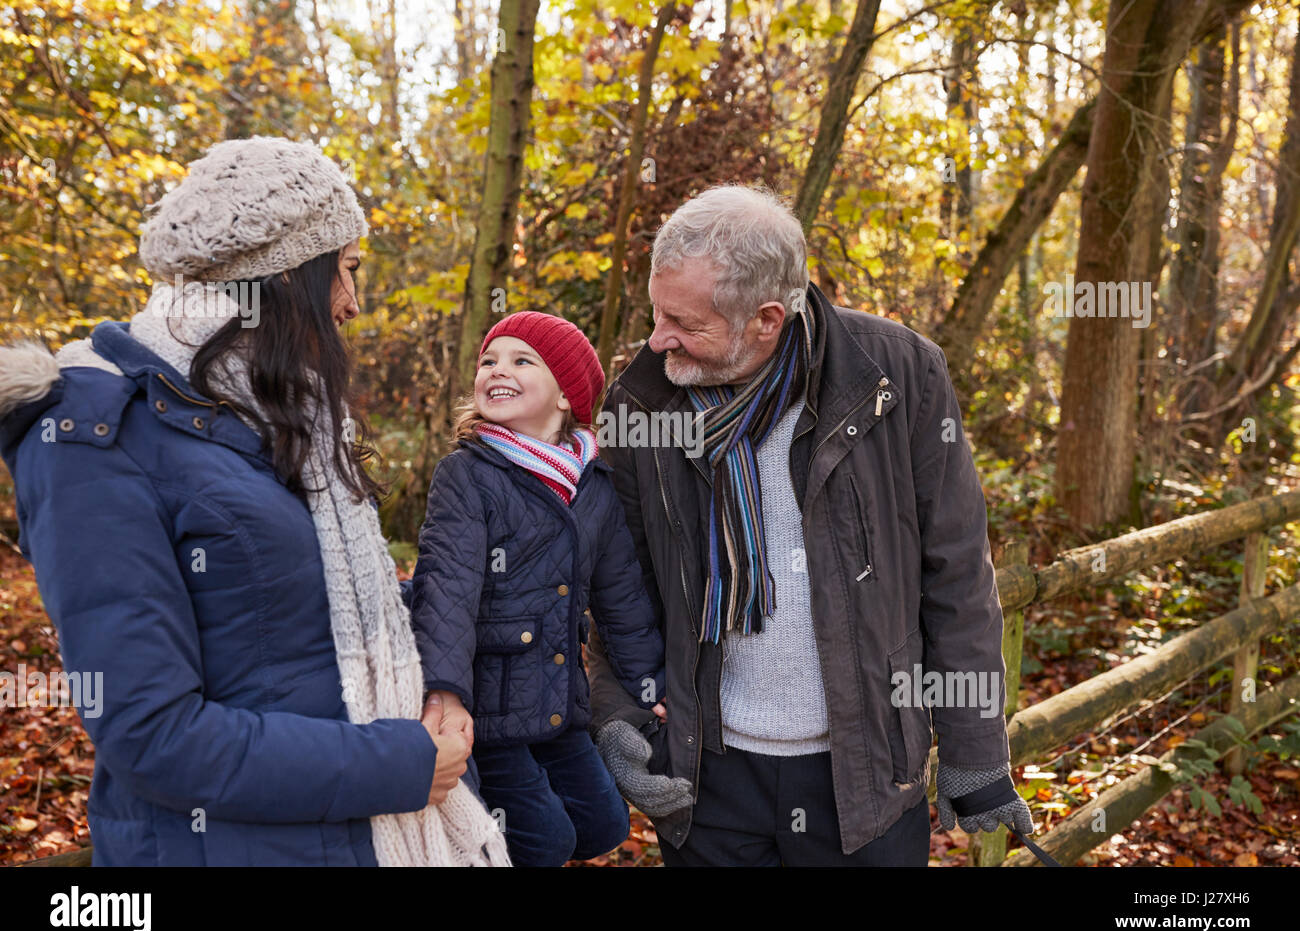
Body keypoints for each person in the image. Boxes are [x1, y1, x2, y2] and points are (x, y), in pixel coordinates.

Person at [0, 136, 508, 866]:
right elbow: (153, 733)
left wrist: (440, 684)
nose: (353, 304)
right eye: (345, 270)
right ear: (282, 276)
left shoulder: (282, 415)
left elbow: (299, 618)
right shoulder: (92, 435)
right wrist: (397, 765)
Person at [589, 183, 1036, 866]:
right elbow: (621, 583)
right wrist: (618, 714)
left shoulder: (899, 376)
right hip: (708, 783)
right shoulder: (643, 402)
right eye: (657, 311)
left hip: (865, 780)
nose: (658, 338)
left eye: (684, 322)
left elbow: (956, 573)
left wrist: (975, 750)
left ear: (767, 319)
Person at [410, 310, 668, 866]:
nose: (497, 370)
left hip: (558, 701)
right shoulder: (469, 474)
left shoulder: (593, 481)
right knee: (544, 839)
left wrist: (648, 680)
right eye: (489, 360)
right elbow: (446, 588)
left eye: (522, 360)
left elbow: (620, 594)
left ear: (566, 397)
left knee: (604, 824)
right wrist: (444, 692)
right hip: (489, 706)